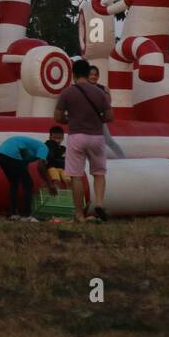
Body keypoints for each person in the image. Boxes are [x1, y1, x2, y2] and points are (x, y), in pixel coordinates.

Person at [54, 58, 113, 222]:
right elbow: (110, 116)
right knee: (99, 173)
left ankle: (79, 214)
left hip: (76, 136)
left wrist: (70, 120)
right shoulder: (100, 93)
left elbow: (57, 117)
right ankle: (99, 204)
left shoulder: (67, 93)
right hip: (96, 137)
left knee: (76, 176)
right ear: (88, 74)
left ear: (73, 74)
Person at [0, 134, 50, 220]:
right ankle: (26, 215)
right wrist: (49, 184)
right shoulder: (44, 148)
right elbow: (40, 166)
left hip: (0, 154)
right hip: (12, 154)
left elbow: (23, 163)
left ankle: (13, 214)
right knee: (28, 184)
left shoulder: (33, 153)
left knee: (14, 183)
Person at [44, 125, 69, 194]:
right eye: (54, 138)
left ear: (63, 138)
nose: (57, 140)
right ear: (50, 137)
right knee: (56, 179)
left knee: (68, 180)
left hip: (62, 168)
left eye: (59, 138)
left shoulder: (63, 149)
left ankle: (69, 194)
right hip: (52, 167)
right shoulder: (48, 145)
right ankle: (56, 194)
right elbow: (49, 157)